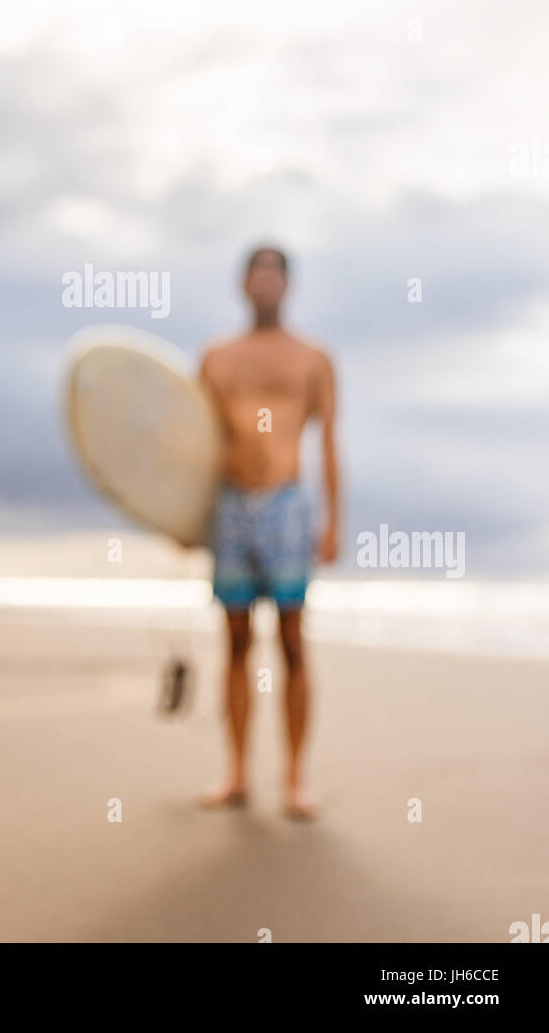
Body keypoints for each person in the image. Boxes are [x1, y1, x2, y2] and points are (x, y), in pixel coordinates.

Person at [197, 246, 338, 819]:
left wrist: (333, 522)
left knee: (292, 642)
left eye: (274, 275)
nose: (265, 284)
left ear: (288, 285)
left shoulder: (312, 358)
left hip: (286, 503)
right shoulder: (216, 358)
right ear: (242, 285)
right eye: (256, 275)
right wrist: (183, 519)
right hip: (229, 503)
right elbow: (191, 442)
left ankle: (295, 779)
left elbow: (329, 439)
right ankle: (235, 773)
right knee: (233, 643)